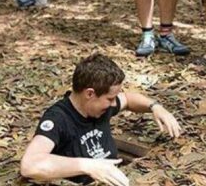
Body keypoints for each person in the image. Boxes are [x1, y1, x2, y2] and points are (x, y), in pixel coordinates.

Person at [20, 53, 182, 185]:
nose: (114, 103)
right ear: (90, 93)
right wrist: (87, 166)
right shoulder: (58, 119)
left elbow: (128, 99)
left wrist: (155, 107)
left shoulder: (101, 107)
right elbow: (30, 165)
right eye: (110, 98)